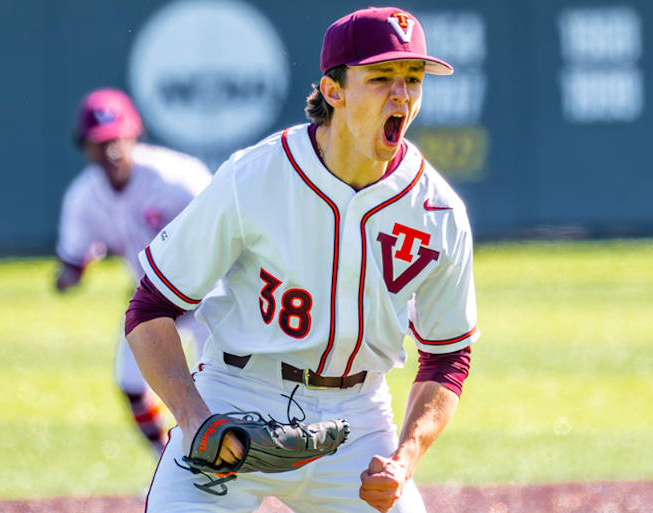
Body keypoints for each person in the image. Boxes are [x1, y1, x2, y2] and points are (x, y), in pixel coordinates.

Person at [125, 6, 477, 512]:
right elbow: (150, 306)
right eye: (381, 78)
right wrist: (193, 417)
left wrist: (404, 458)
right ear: (333, 91)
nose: (402, 94)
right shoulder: (255, 177)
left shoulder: (438, 211)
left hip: (357, 422)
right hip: (238, 397)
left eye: (413, 78)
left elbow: (447, 357)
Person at [55, 88, 213, 455]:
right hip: (152, 298)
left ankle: (233, 460)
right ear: (84, 146)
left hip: (209, 291)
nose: (110, 150)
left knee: (220, 382)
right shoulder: (83, 197)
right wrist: (70, 274)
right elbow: (72, 263)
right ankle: (169, 459)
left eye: (116, 139)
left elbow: (226, 228)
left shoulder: (178, 176)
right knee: (130, 383)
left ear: (133, 135)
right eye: (99, 142)